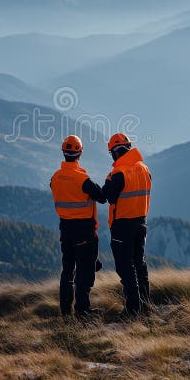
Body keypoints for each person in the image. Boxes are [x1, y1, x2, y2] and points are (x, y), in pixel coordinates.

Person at [49, 135, 106, 317]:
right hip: (84, 231)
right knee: (85, 271)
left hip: (65, 230)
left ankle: (65, 312)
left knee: (67, 270)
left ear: (63, 153)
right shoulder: (82, 179)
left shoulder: (55, 178)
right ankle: (82, 311)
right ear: (79, 153)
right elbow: (102, 197)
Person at [101, 133, 152, 317]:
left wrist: (108, 181)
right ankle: (145, 306)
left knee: (125, 267)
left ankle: (132, 310)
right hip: (141, 223)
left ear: (115, 152)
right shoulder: (144, 169)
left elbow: (109, 196)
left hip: (123, 225)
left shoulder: (119, 173)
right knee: (140, 264)